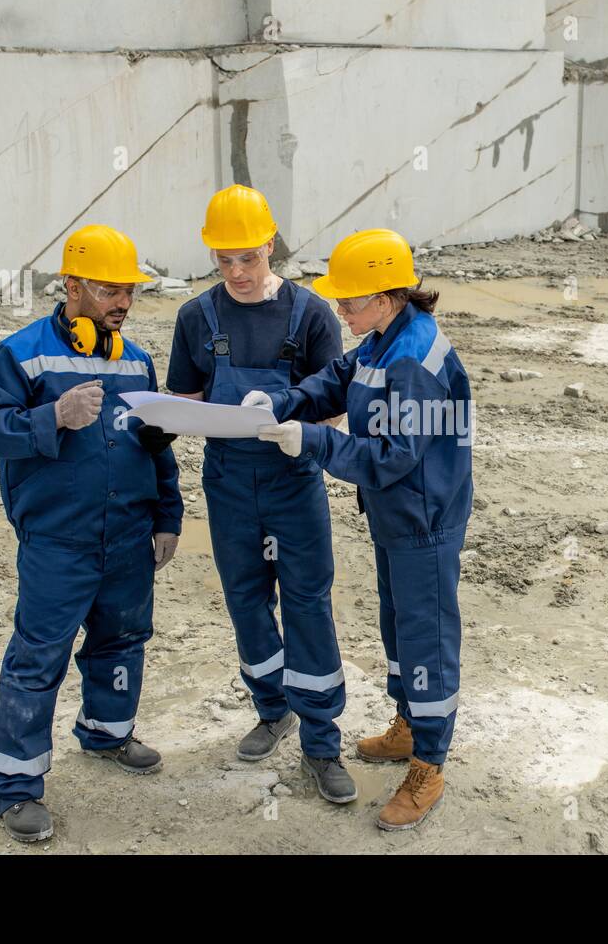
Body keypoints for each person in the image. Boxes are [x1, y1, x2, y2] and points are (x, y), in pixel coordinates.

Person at [251, 228, 473, 831]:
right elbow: (337, 378)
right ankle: (409, 725)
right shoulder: (380, 339)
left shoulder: (415, 358)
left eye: (349, 300)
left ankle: (429, 763)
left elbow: (395, 457)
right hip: (394, 515)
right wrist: (282, 403)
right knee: (398, 624)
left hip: (423, 519)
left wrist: (314, 440)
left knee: (425, 638)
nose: (339, 310)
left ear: (386, 295)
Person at [0, 224, 183, 842]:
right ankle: (13, 787)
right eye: (110, 289)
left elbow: (154, 445)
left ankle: (108, 734)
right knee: (38, 658)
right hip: (58, 541)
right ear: (72, 286)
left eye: (129, 292)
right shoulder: (21, 354)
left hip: (128, 537)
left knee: (121, 641)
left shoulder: (136, 360)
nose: (122, 302)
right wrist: (52, 416)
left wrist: (168, 514)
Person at [166, 185, 355, 803]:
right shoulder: (197, 318)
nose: (238, 272)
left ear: (270, 244)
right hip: (227, 482)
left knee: (306, 603)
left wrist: (296, 424)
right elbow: (186, 403)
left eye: (248, 257)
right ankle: (273, 709)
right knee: (247, 599)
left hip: (291, 482)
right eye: (224, 260)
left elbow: (335, 405)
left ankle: (322, 742)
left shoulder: (312, 315)